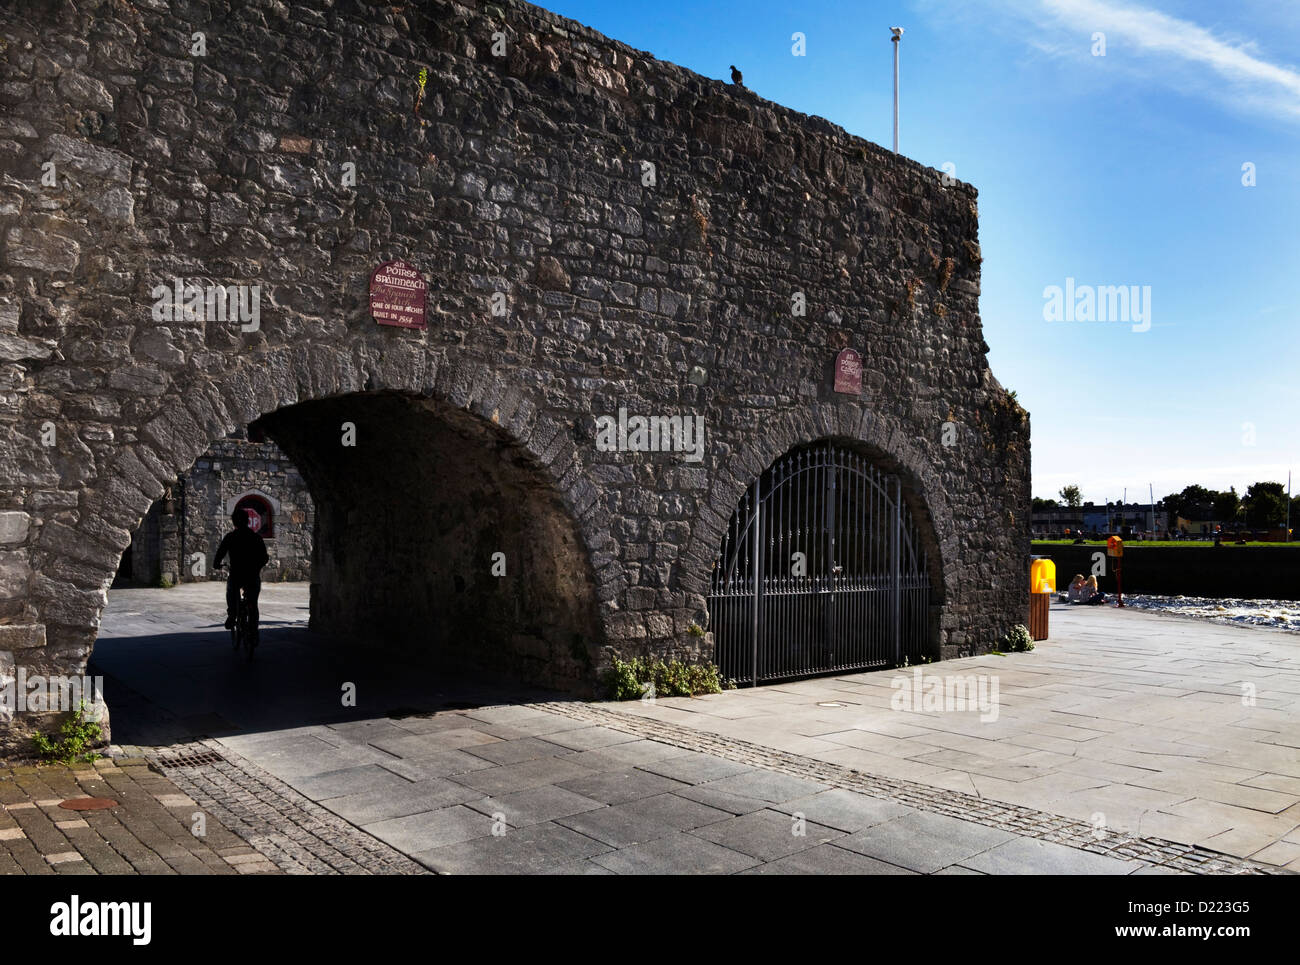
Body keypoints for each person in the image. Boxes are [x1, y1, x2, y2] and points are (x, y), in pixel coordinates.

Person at [214, 509, 269, 641]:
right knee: (253, 604)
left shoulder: (230, 537)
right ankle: (254, 632)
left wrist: (216, 565)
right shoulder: (256, 537)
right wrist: (257, 567)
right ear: (248, 521)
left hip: (237, 574)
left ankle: (232, 615)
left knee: (231, 590)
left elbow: (220, 554)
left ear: (234, 522)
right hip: (252, 575)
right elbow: (265, 558)